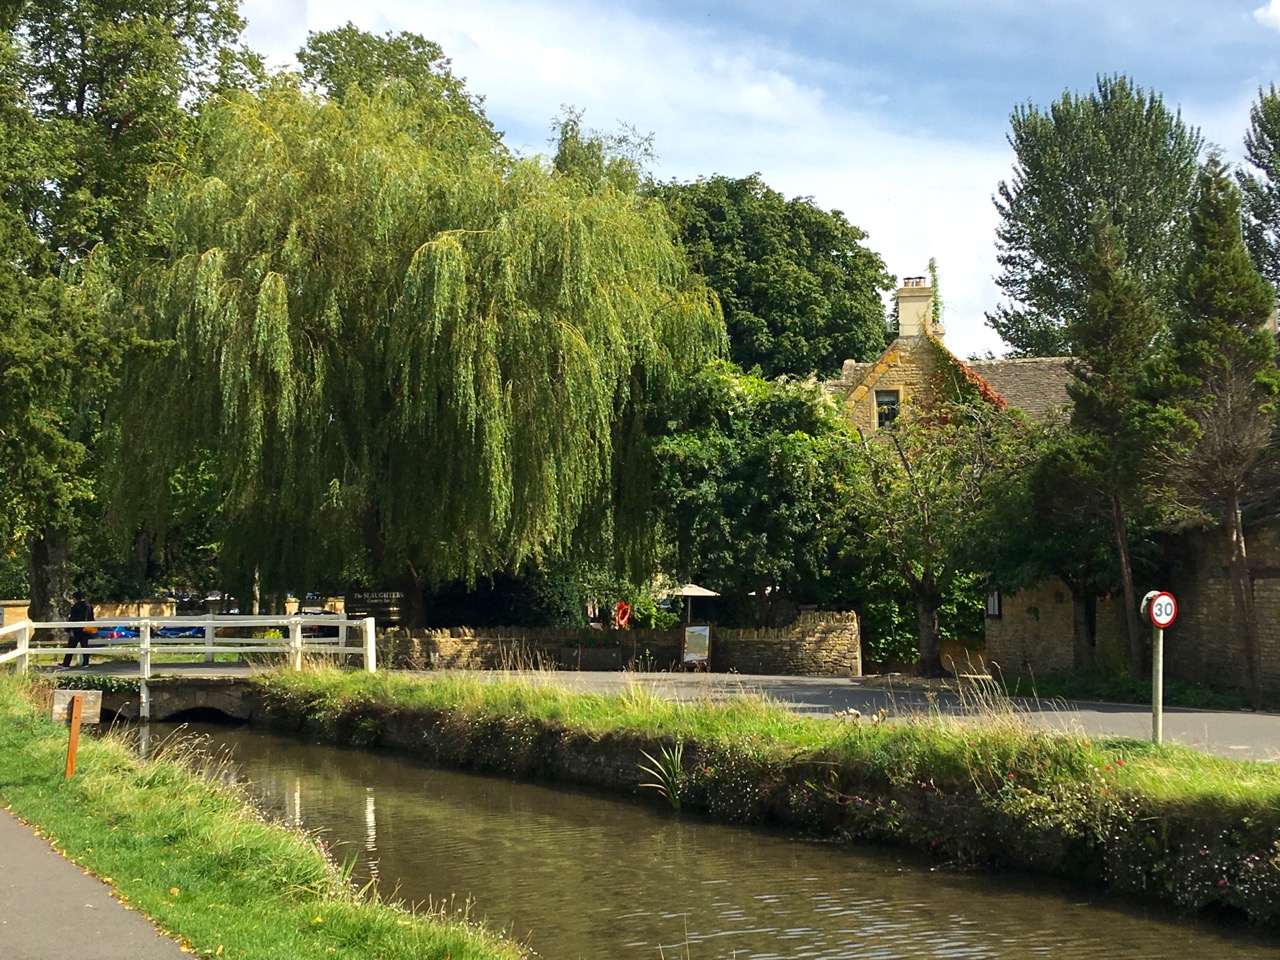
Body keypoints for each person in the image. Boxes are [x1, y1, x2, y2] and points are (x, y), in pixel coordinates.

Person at [64, 591, 95, 668]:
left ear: (75, 598)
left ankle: (66, 663)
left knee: (71, 647)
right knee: (85, 646)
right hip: (86, 629)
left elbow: (72, 619)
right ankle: (86, 663)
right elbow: (91, 617)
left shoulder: (75, 607)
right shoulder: (88, 606)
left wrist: (69, 629)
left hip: (76, 630)